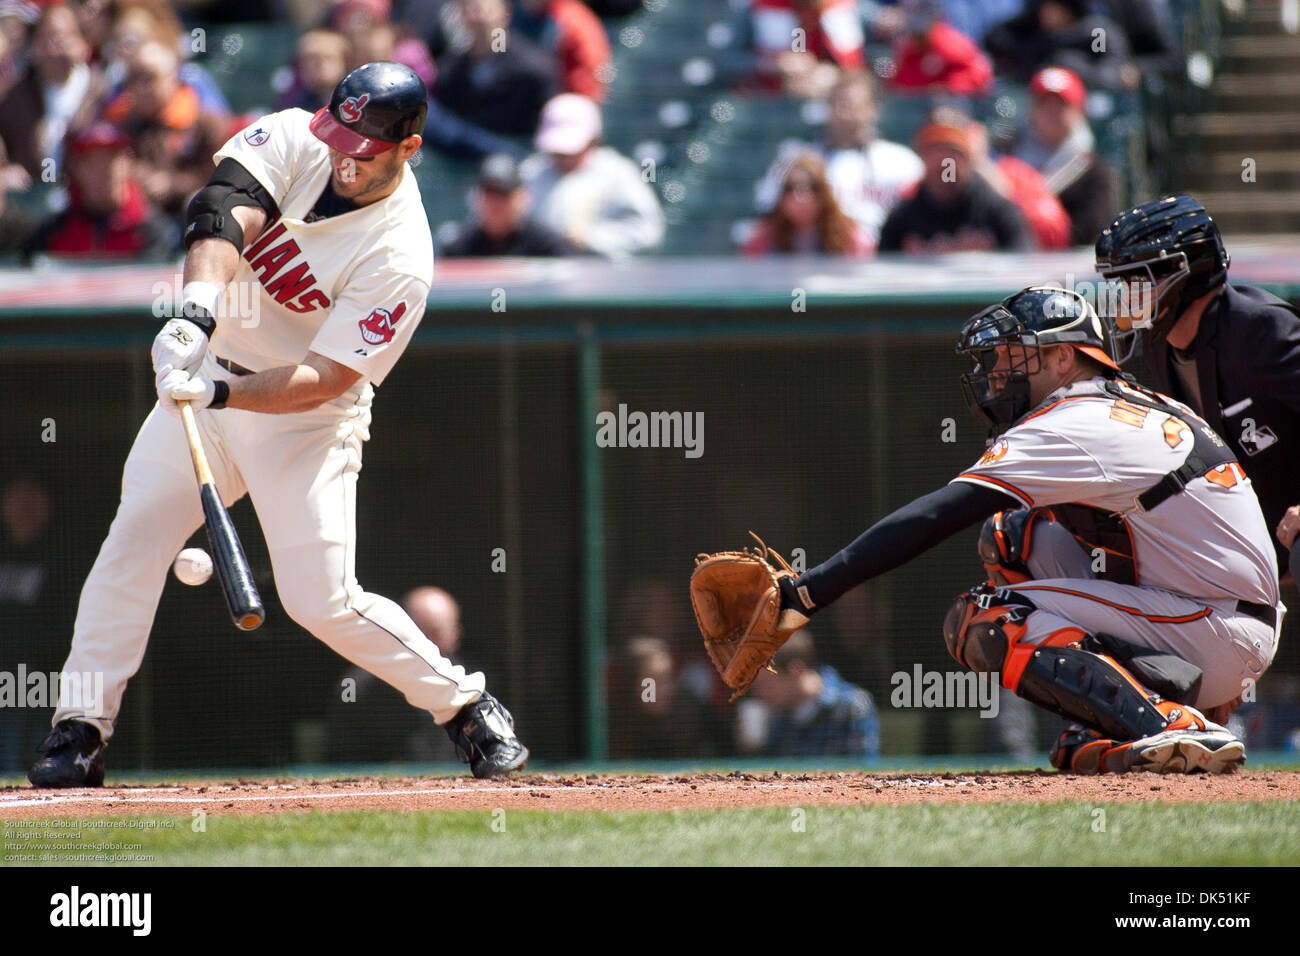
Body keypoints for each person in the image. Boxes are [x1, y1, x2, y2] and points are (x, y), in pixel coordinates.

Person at [26, 61, 529, 788]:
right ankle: (79, 730)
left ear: (406, 149)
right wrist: (195, 317)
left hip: (305, 421)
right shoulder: (300, 136)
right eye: (337, 133)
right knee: (133, 539)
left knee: (320, 599)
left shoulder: (401, 256)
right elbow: (223, 207)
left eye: (362, 146)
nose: (340, 154)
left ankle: (468, 707)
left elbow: (328, 377)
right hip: (207, 374)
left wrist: (221, 392)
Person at [743, 285, 1281, 774]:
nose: (998, 371)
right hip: (1217, 619)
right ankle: (1134, 718)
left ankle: (1169, 724)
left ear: (1065, 356)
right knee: (1013, 535)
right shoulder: (1125, 404)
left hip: (1214, 628)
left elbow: (937, 515)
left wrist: (807, 593)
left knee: (982, 617)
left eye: (1014, 354)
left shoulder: (1077, 419)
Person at [1095, 195, 1300, 595]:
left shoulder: (1258, 330)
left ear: (1184, 272)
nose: (1127, 298)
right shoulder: (1160, 347)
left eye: (1136, 282)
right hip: (1241, 531)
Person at [754, 70, 922, 248]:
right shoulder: (798, 161)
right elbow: (768, 211)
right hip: (820, 257)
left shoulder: (903, 162)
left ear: (874, 109)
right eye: (838, 104)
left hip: (886, 259)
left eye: (854, 106)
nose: (844, 114)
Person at [521, 93, 664, 258]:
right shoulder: (530, 173)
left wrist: (591, 239)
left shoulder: (618, 174)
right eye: (556, 151)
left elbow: (648, 230)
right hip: (538, 275)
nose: (562, 156)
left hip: (604, 276)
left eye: (569, 151)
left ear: (593, 140)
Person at [99, 39, 229, 216]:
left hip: (189, 220)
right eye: (133, 79)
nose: (140, 87)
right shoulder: (120, 125)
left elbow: (220, 178)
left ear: (173, 77)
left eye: (149, 78)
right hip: (133, 221)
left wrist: (171, 184)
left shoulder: (206, 123)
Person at [878, 110, 1032, 254]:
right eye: (935, 150)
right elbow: (883, 271)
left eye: (952, 151)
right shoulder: (902, 218)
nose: (944, 163)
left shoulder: (998, 211)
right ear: (922, 156)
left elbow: (1024, 265)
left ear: (969, 158)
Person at [426, 0, 557, 159]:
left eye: (483, 10)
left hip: (515, 161)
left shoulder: (533, 69)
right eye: (469, 10)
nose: (476, 18)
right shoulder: (450, 69)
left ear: (505, 14)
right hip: (458, 162)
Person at [24, 120, 174, 259]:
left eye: (111, 160)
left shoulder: (152, 230)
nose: (103, 171)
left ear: (127, 165)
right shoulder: (54, 230)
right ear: (77, 169)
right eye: (92, 162)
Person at [1013, 66, 1118, 247]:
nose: (1052, 113)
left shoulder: (1093, 169)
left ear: (1078, 111)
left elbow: (1091, 229)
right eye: (1044, 104)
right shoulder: (1010, 158)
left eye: (1061, 105)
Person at [737, 631, 879, 758]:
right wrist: (752, 749)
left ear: (795, 670)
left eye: (765, 684)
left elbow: (865, 770)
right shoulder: (775, 713)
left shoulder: (852, 705)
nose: (759, 694)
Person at [441, 152, 575, 256]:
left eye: (503, 194)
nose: (496, 204)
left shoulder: (548, 244)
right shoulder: (459, 246)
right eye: (490, 194)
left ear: (522, 197)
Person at [742, 151, 871, 257]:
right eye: (791, 188)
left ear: (824, 193)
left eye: (811, 187)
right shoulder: (763, 240)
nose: (799, 196)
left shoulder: (851, 237)